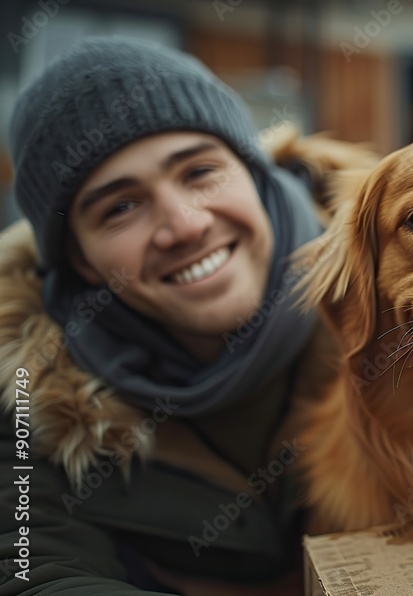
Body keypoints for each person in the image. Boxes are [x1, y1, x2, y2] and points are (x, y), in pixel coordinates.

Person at [0, 37, 349, 594]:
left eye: (199, 171)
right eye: (121, 207)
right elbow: (34, 569)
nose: (184, 225)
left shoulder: (400, 297)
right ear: (81, 263)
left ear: (253, 173)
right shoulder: (26, 390)